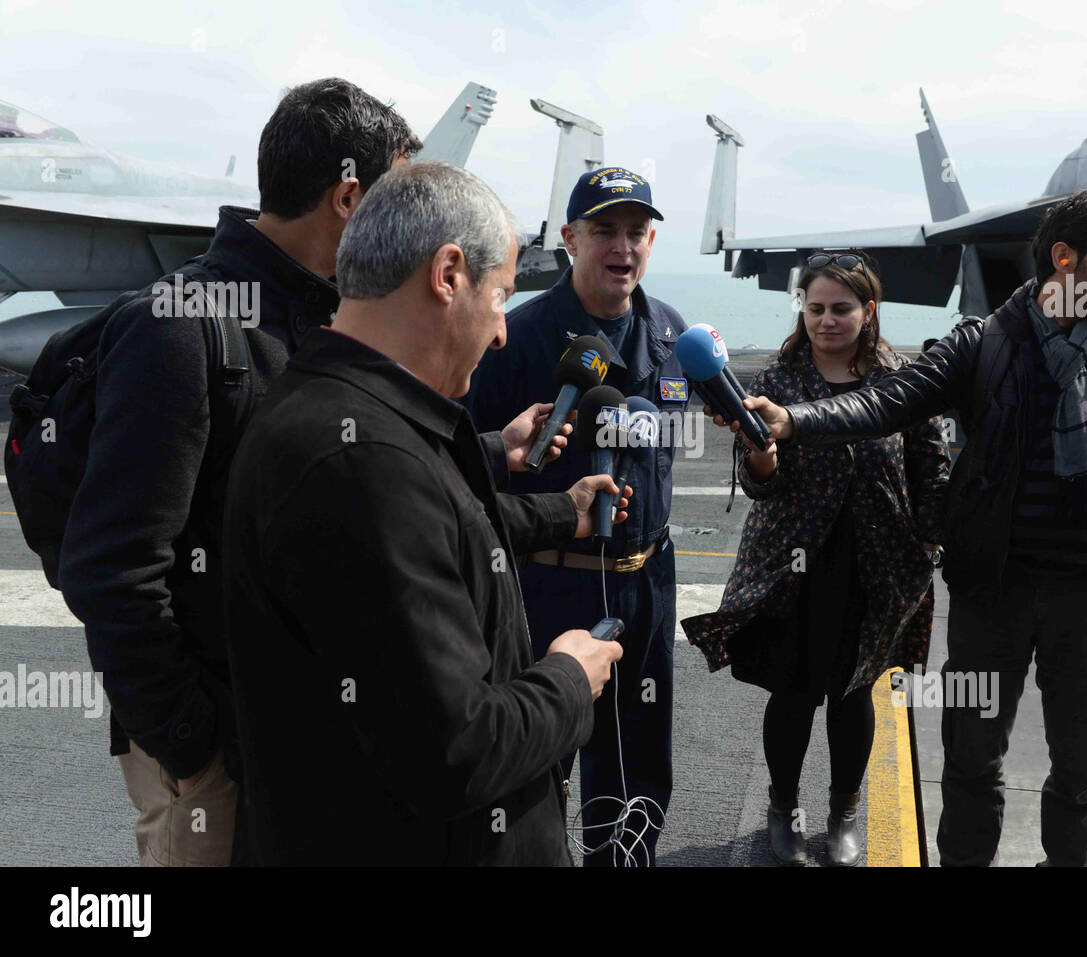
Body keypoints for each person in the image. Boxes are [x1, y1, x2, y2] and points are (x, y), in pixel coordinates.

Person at [57, 79, 565, 867]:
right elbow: (111, 567)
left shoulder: (311, 319)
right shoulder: (182, 329)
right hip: (218, 756)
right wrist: (195, 745)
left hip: (302, 744)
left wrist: (492, 453)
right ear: (350, 196)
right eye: (397, 192)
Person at [716, 188, 1087, 866]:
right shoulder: (984, 343)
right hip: (993, 597)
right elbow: (890, 400)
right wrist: (799, 420)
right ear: (1064, 260)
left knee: (1082, 779)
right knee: (970, 769)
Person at [222, 161, 630, 866]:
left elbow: (451, 529)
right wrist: (569, 677)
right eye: (500, 294)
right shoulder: (361, 460)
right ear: (448, 275)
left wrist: (564, 512)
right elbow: (457, 751)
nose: (502, 331)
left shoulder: (346, 413)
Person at [683, 252, 948, 866]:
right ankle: (783, 811)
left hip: (875, 566)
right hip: (794, 565)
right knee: (794, 692)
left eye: (841, 308)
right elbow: (761, 486)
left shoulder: (902, 381)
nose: (827, 320)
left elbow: (929, 467)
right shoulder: (776, 382)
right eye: (816, 308)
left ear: (869, 310)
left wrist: (936, 537)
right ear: (801, 311)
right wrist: (761, 455)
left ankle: (844, 813)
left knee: (856, 695)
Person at [465, 167, 688, 866]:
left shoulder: (674, 335)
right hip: (545, 584)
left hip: (645, 581)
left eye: (635, 231)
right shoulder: (516, 337)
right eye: (604, 231)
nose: (622, 247)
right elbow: (462, 472)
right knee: (534, 762)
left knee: (636, 762)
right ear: (569, 239)